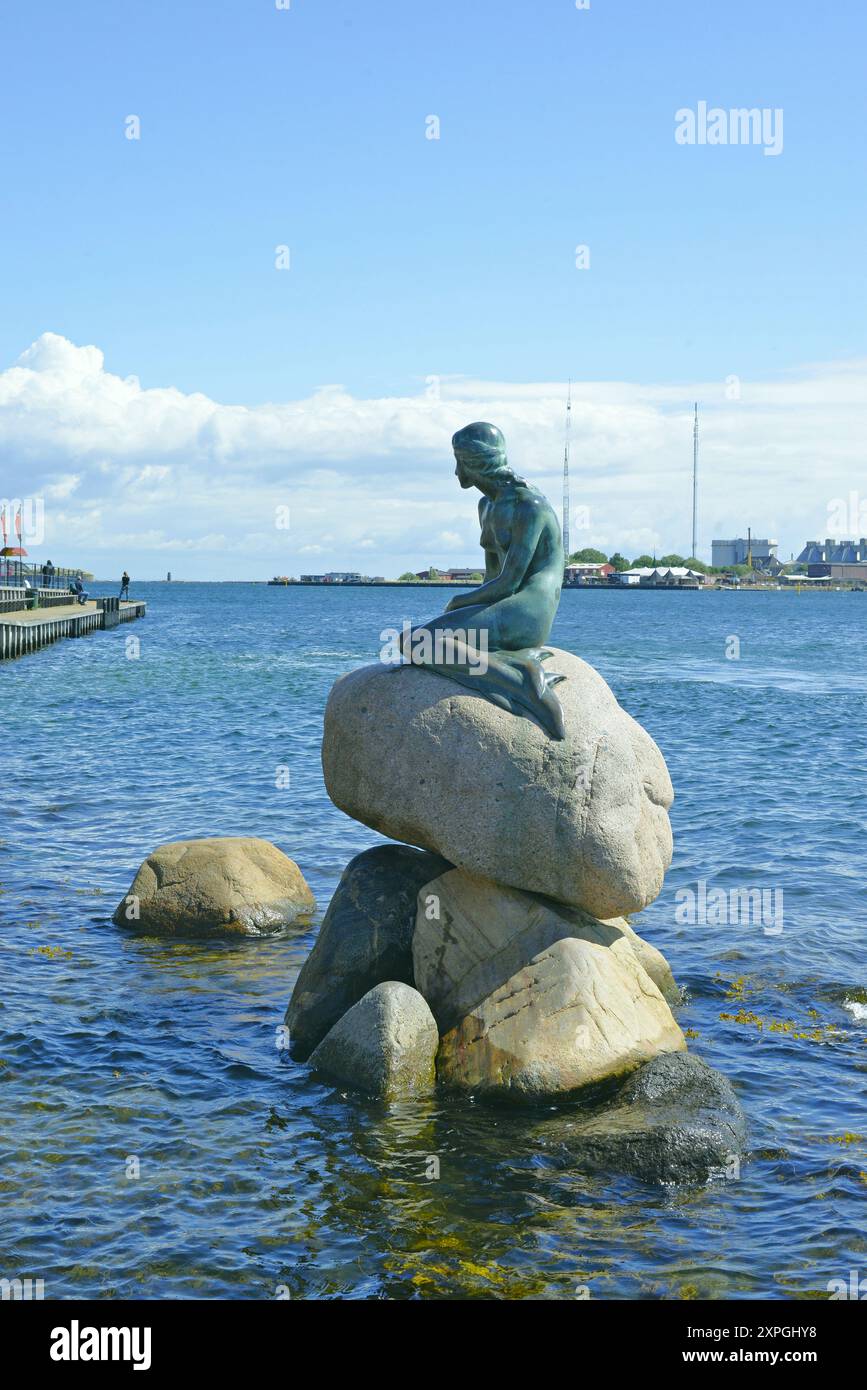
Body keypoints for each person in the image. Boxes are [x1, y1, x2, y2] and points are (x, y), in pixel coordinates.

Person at [399, 421, 566, 739]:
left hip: (528, 611)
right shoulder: (486, 505)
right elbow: (492, 577)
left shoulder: (529, 506)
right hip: (504, 606)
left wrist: (457, 603)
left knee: (417, 642)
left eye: (457, 460)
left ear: (472, 461)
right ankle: (509, 670)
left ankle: (521, 681)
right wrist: (460, 614)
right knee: (411, 641)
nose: (455, 471)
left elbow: (511, 582)